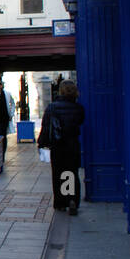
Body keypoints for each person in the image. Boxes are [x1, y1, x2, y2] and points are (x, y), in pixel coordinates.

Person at [39, 80, 86, 214]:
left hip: (57, 146)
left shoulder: (52, 107)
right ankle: (71, 199)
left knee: (58, 173)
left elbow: (46, 127)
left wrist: (42, 143)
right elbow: (80, 121)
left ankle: (61, 202)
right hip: (72, 144)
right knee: (71, 172)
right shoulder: (78, 108)